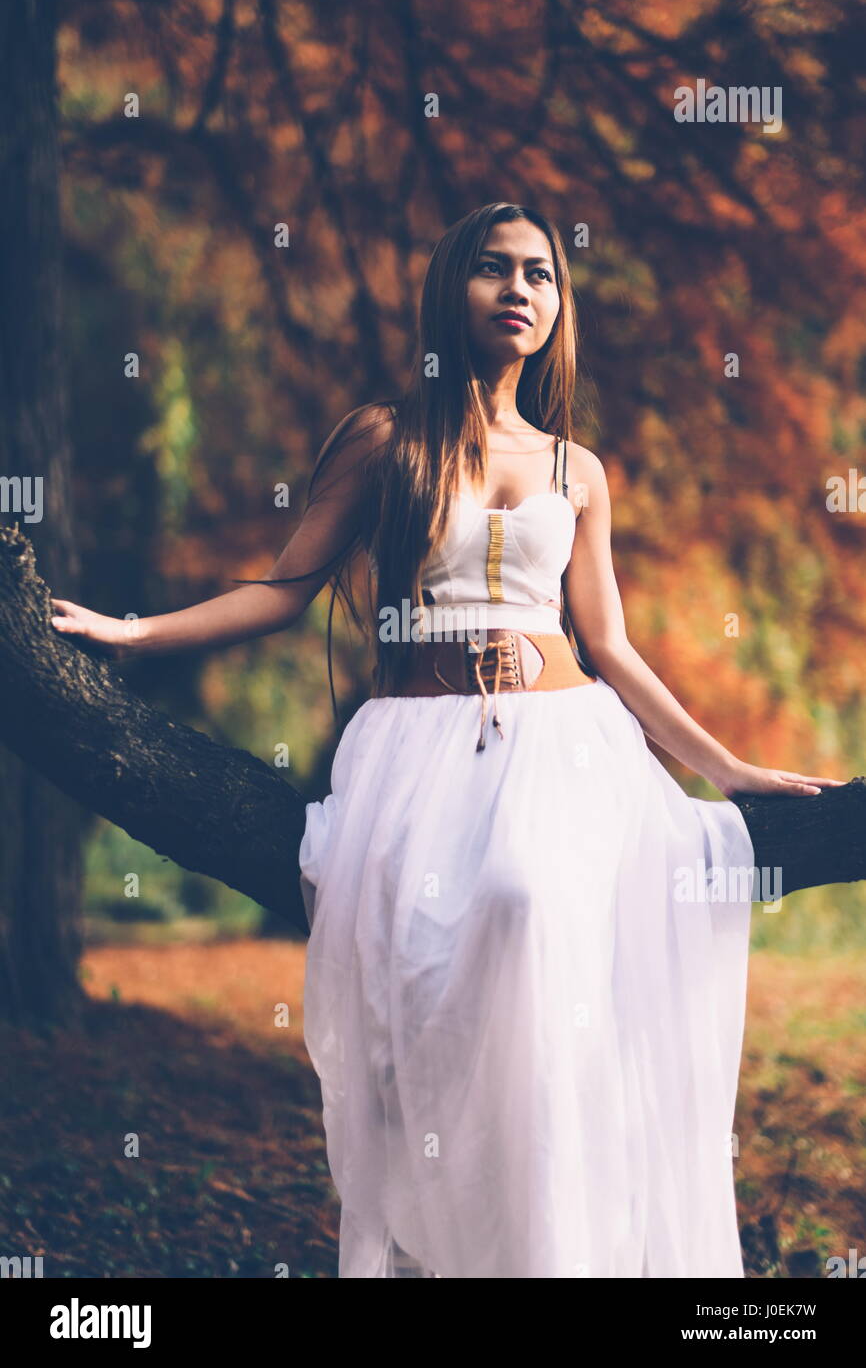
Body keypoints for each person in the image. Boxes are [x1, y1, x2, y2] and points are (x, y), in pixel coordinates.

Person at [50, 203, 848, 1278]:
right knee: (433, 981)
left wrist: (728, 770)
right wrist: (130, 630)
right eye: (491, 269)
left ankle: (554, 1244)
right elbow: (283, 588)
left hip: (567, 746)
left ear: (558, 309)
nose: (518, 290)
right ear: (449, 291)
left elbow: (608, 643)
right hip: (417, 751)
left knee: (529, 916)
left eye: (540, 275)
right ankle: (455, 1235)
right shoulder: (385, 440)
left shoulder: (579, 469)